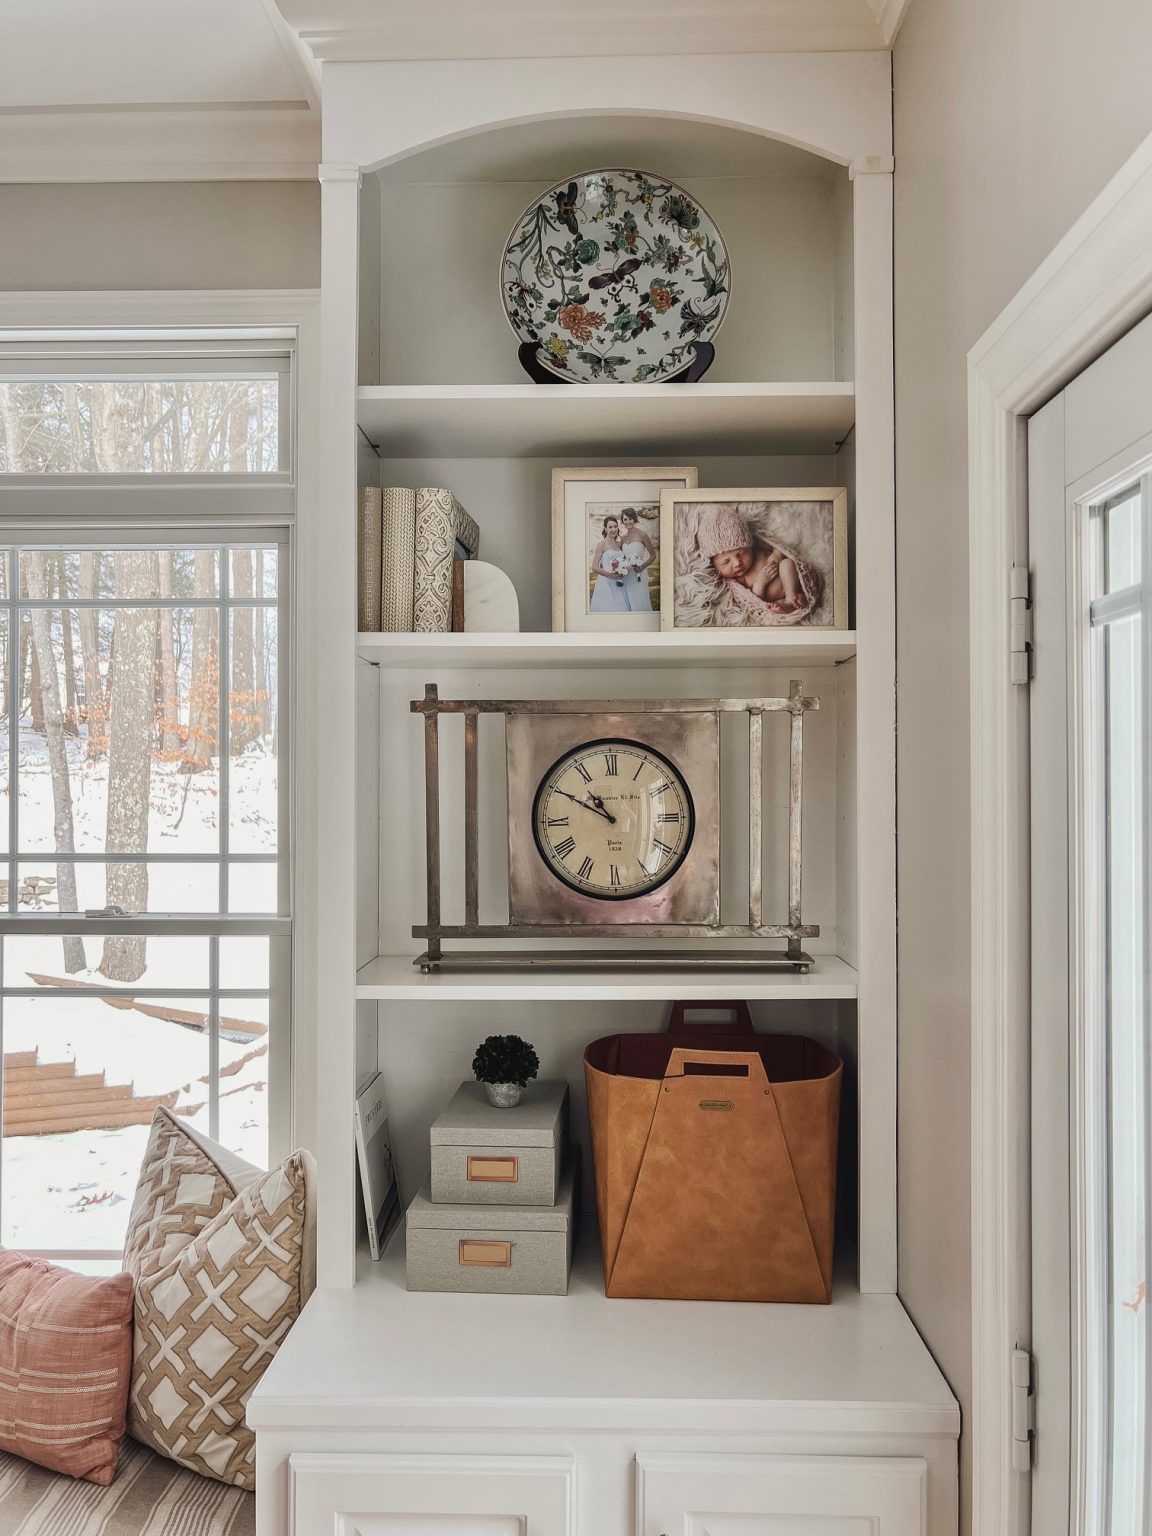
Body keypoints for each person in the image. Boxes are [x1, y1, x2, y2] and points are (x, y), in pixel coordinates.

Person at [694, 503, 822, 626]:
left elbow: (779, 548)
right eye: (726, 561)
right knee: (771, 607)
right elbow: (754, 600)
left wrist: (776, 556)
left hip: (793, 582)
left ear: (750, 546)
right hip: (773, 599)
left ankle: (793, 597)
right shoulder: (737, 580)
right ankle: (790, 603)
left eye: (742, 553)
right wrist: (761, 582)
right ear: (715, 565)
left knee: (787, 564)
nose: (737, 563)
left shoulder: (758, 550)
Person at [589, 515, 632, 613]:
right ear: (605, 529)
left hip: (620, 581)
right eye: (610, 527)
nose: (613, 529)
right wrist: (610, 575)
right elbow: (594, 567)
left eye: (615, 526)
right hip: (606, 582)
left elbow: (623, 561)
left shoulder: (619, 544)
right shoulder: (601, 544)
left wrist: (623, 569)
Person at [619, 507, 656, 612]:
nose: (628, 522)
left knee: (640, 600)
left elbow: (653, 555)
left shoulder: (642, 534)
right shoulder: (622, 538)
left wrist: (642, 567)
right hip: (626, 574)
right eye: (625, 519)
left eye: (630, 518)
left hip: (639, 573)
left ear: (634, 519)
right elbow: (620, 556)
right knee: (628, 601)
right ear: (622, 521)